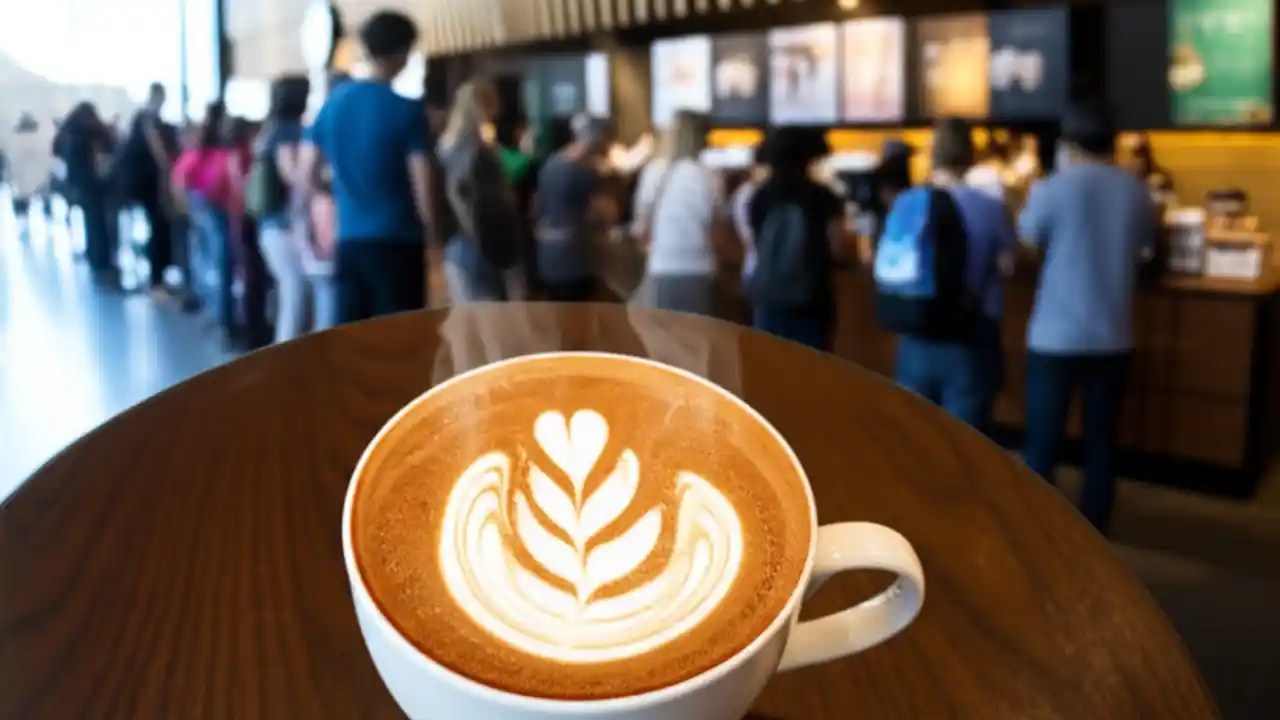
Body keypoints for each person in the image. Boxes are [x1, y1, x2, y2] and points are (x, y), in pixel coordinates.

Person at [1017, 103, 1158, 532]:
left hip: (1054, 337)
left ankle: (1035, 527)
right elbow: (1147, 250)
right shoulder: (1137, 190)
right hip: (1112, 334)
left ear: (1069, 145)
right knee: (1101, 442)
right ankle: (1096, 531)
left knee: (1042, 440)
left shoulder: (1052, 188)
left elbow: (1026, 241)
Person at [300, 11, 436, 323]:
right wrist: (435, 238)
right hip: (399, 243)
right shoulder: (407, 110)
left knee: (355, 341)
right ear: (403, 51)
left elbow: (306, 176)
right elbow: (423, 187)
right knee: (401, 339)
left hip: (349, 242)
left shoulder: (332, 105)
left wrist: (342, 192)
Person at [891, 117, 1016, 433]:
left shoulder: (907, 202)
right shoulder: (989, 206)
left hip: (914, 334)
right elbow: (1008, 267)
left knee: (913, 441)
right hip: (970, 339)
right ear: (970, 156)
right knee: (963, 449)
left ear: (932, 156)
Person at [746, 128, 846, 350]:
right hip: (811, 300)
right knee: (811, 373)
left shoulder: (758, 197)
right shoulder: (823, 195)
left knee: (769, 369)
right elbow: (840, 245)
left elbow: (755, 244)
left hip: (768, 299)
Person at [631, 110, 725, 316]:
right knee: (697, 339)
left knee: (664, 341)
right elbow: (716, 231)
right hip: (699, 269)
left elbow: (641, 230)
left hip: (662, 267)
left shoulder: (654, 172)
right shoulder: (710, 176)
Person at [437, 78, 523, 302]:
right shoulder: (481, 153)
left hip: (455, 247)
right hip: (485, 244)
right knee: (495, 327)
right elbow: (496, 204)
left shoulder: (444, 148)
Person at [533, 115, 618, 301]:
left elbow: (537, 206)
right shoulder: (584, 171)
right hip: (574, 259)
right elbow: (606, 214)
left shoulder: (551, 163)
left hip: (547, 257)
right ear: (599, 141)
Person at [252, 76, 311, 344]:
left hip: (270, 225)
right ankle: (287, 363)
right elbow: (293, 175)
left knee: (290, 294)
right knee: (295, 296)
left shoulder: (268, 131)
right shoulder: (287, 132)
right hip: (284, 225)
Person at [115, 83, 176, 297]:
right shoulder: (148, 119)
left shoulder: (140, 119)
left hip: (140, 183)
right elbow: (159, 153)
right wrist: (167, 177)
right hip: (147, 183)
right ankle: (156, 282)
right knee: (158, 227)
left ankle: (157, 279)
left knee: (158, 227)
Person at [53, 102, 116, 277]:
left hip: (76, 182)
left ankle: (94, 258)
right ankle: (102, 261)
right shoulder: (91, 132)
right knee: (98, 223)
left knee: (91, 221)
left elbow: (56, 151)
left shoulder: (67, 133)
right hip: (93, 182)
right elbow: (108, 148)